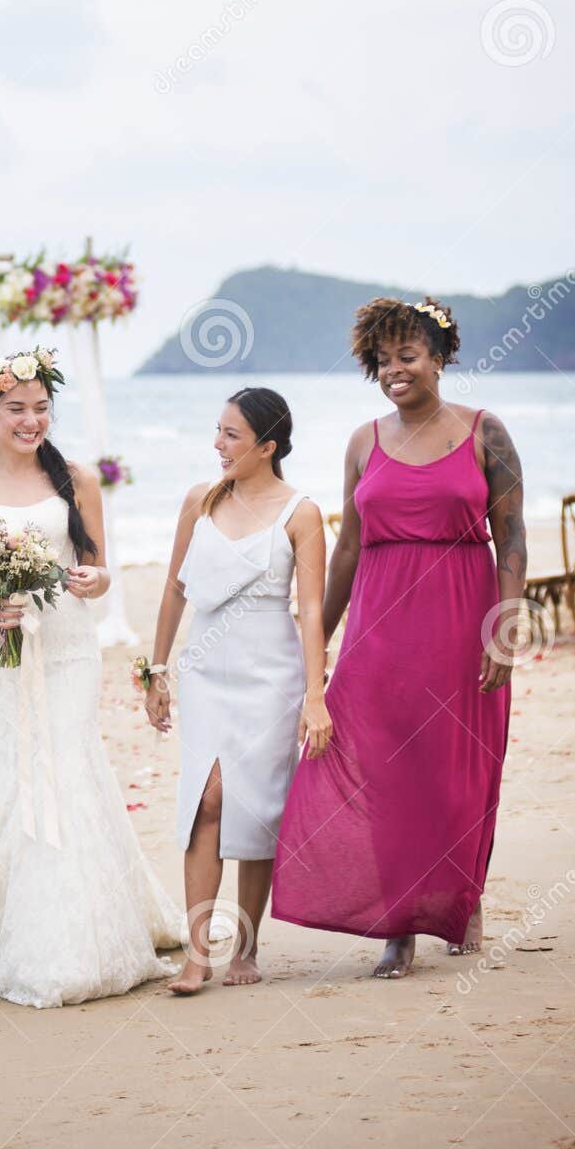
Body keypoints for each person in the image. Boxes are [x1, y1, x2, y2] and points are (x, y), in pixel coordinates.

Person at [272, 297, 523, 978]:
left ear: (440, 358)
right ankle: (399, 924)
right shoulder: (363, 441)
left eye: (406, 357)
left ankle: (459, 901)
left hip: (461, 623)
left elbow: (513, 539)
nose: (394, 372)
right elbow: (347, 551)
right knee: (382, 767)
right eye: (382, 361)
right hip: (380, 632)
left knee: (457, 772)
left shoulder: (484, 432)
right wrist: (317, 645)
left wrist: (504, 630)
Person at [0, 346, 181, 1007]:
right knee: (5, 769)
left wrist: (96, 580)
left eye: (41, 408)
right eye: (16, 409)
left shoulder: (78, 478)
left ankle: (76, 939)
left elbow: (96, 574)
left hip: (66, 648)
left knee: (66, 767)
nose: (31, 420)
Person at [145, 387, 331, 995]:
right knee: (207, 800)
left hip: (270, 675)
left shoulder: (300, 513)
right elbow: (175, 589)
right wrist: (157, 670)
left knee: (257, 807)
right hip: (205, 674)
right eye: (217, 431)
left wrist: (314, 695)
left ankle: (247, 945)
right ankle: (198, 954)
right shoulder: (201, 500)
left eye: (232, 436)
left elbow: (309, 610)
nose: (218, 445)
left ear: (268, 447)